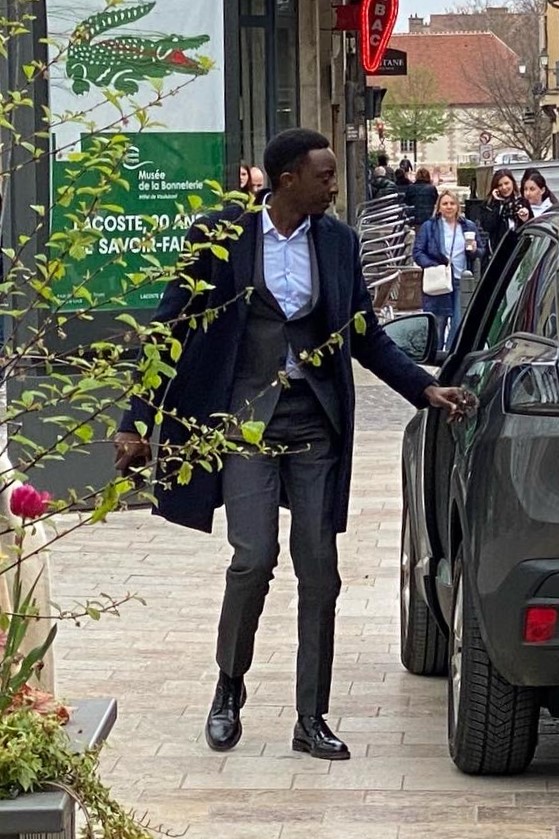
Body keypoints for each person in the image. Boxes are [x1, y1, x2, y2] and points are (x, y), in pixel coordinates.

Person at [111, 128, 473, 762]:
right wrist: (137, 419)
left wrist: (424, 388)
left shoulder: (337, 242)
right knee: (253, 558)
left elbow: (365, 335)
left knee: (320, 572)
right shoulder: (220, 236)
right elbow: (172, 326)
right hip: (242, 426)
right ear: (287, 181)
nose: (334, 185)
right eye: (324, 175)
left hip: (313, 425)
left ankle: (312, 718)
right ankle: (229, 687)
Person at [413, 190, 482, 350]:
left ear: (458, 206)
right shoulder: (429, 227)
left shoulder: (468, 226)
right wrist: (433, 265)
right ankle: (435, 354)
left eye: (452, 203)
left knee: (459, 323)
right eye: (445, 204)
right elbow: (418, 252)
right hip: (439, 280)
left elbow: (480, 251)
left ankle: (451, 354)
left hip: (461, 279)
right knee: (438, 322)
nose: (449, 207)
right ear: (439, 207)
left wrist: (474, 250)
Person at [481, 168, 528, 251]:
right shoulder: (489, 205)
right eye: (500, 185)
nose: (504, 187)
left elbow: (529, 227)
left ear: (512, 183)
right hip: (497, 251)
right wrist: (497, 203)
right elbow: (488, 226)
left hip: (517, 250)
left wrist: (525, 219)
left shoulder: (522, 202)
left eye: (506, 183)